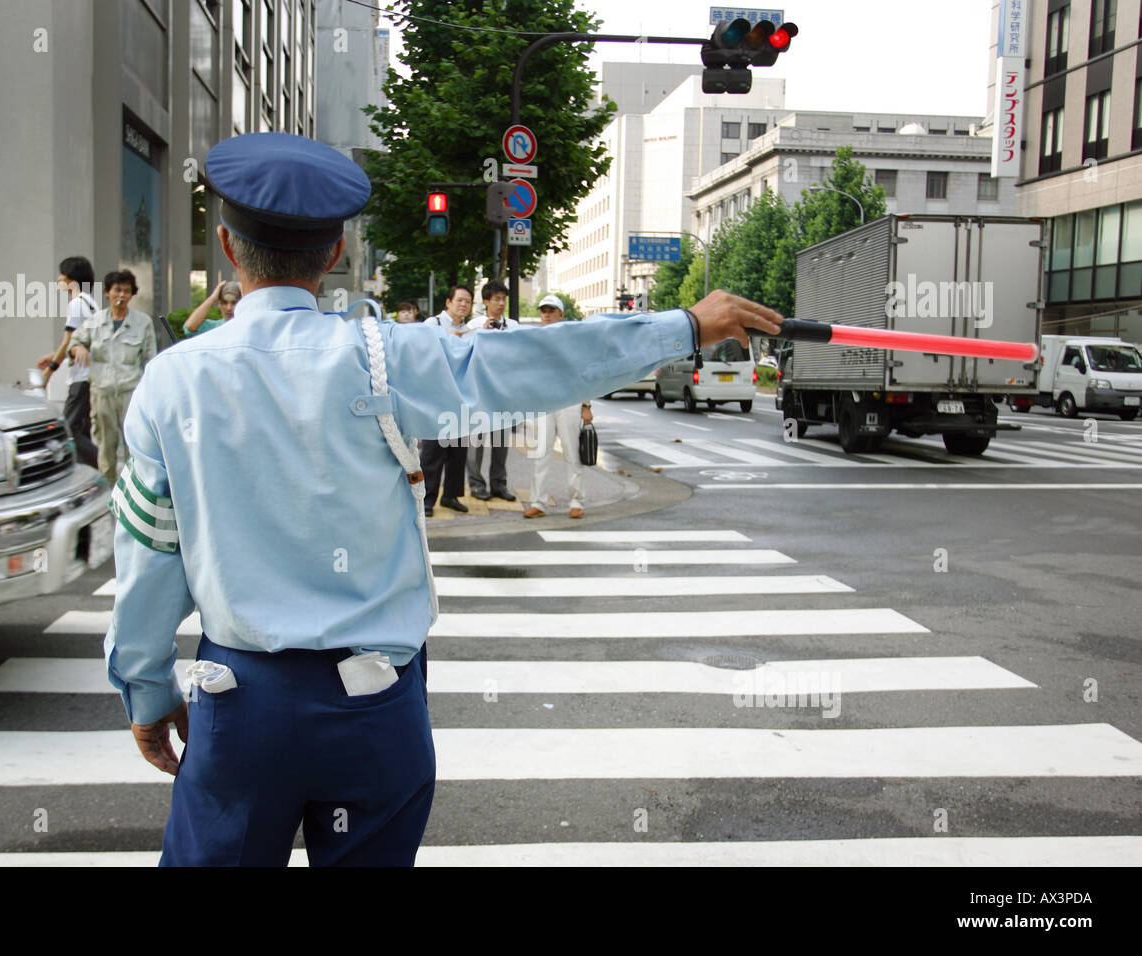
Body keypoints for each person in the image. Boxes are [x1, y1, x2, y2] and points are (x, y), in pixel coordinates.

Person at [103, 130, 781, 868]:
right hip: (374, 707)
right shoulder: (385, 355)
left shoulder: (172, 382)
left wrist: (144, 687)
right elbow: (533, 362)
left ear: (230, 251)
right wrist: (681, 325)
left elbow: (149, 556)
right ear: (332, 255)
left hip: (239, 704)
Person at [69, 268, 156, 488]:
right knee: (105, 449)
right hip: (101, 393)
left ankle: (133, 492)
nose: (122, 295)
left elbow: (149, 361)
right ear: (107, 292)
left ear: (132, 294)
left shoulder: (143, 322)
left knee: (134, 446)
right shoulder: (95, 321)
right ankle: (108, 493)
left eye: (127, 291)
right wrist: (78, 348)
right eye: (117, 290)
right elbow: (75, 341)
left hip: (130, 394)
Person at [523, 294, 592, 519]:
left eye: (552, 311)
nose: (547, 315)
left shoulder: (574, 339)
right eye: (544, 311)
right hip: (543, 404)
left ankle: (577, 502)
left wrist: (586, 405)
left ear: (561, 314)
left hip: (569, 402)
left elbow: (585, 373)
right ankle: (538, 502)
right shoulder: (533, 340)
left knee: (572, 454)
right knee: (540, 455)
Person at [36, 255, 99, 468]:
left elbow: (68, 341)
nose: (58, 278)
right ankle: (88, 470)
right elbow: (76, 342)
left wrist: (50, 371)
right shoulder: (90, 303)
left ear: (72, 279)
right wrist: (52, 356)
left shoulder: (75, 305)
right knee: (83, 430)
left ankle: (102, 465)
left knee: (70, 428)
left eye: (62, 274)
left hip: (81, 377)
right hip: (92, 375)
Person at [419, 285, 474, 515]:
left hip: (460, 396)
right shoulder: (433, 325)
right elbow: (419, 350)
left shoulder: (470, 330)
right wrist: (446, 338)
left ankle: (450, 496)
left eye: (468, 302)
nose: (464, 305)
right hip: (436, 396)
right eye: (460, 300)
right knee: (433, 451)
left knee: (457, 450)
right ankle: (426, 499)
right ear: (448, 302)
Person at [465, 280, 517, 502]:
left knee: (501, 441)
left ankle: (499, 484)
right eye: (496, 299)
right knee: (475, 440)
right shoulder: (474, 325)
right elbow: (464, 350)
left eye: (503, 299)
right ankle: (476, 484)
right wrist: (481, 331)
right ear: (486, 302)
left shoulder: (513, 326)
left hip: (503, 392)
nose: (501, 303)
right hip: (479, 390)